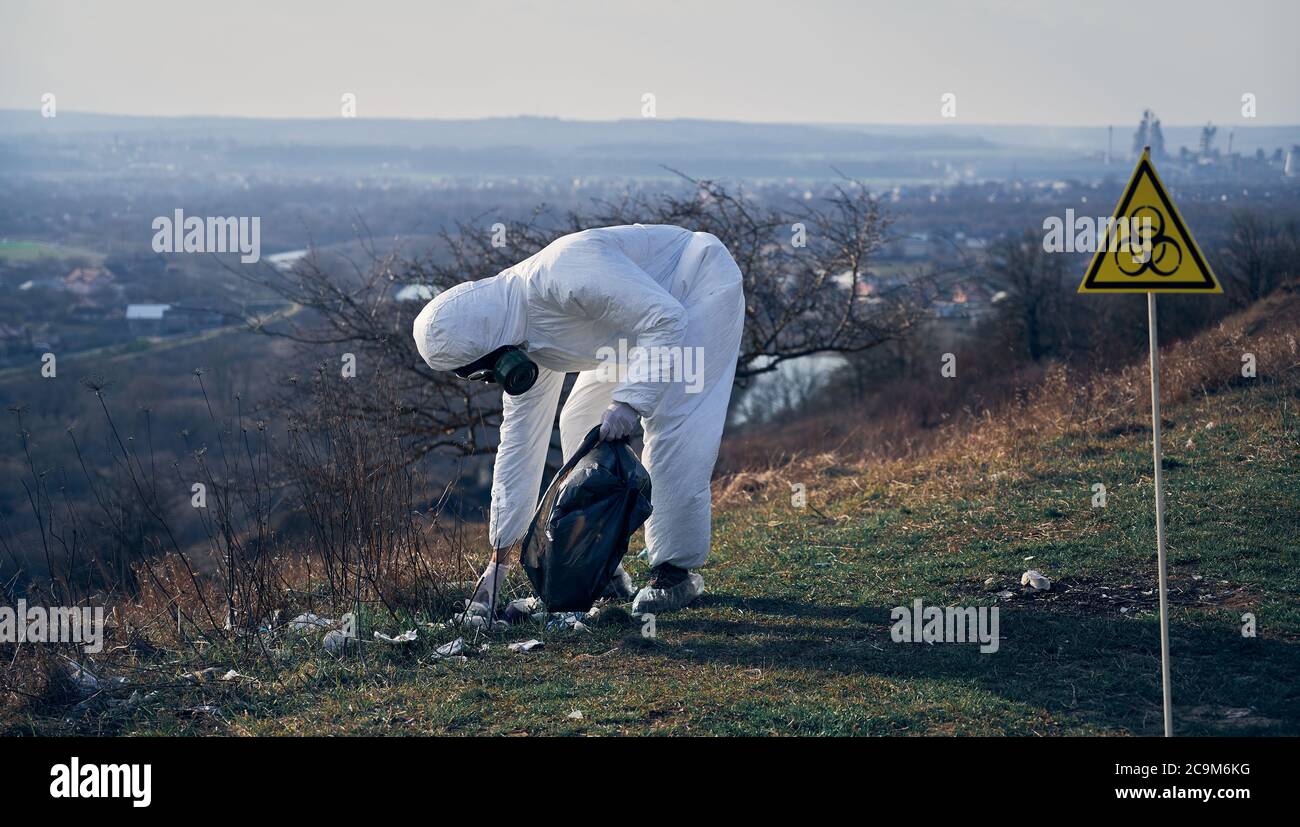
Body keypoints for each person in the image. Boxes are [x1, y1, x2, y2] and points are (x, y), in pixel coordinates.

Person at [413, 224, 744, 615]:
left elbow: (666, 320)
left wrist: (629, 403)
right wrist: (496, 565)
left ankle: (675, 572)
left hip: (695, 289)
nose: (493, 376)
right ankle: (600, 567)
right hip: (635, 327)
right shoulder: (518, 336)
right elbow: (521, 445)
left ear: (486, 339)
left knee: (674, 423)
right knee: (578, 420)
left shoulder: (562, 272)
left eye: (486, 368)